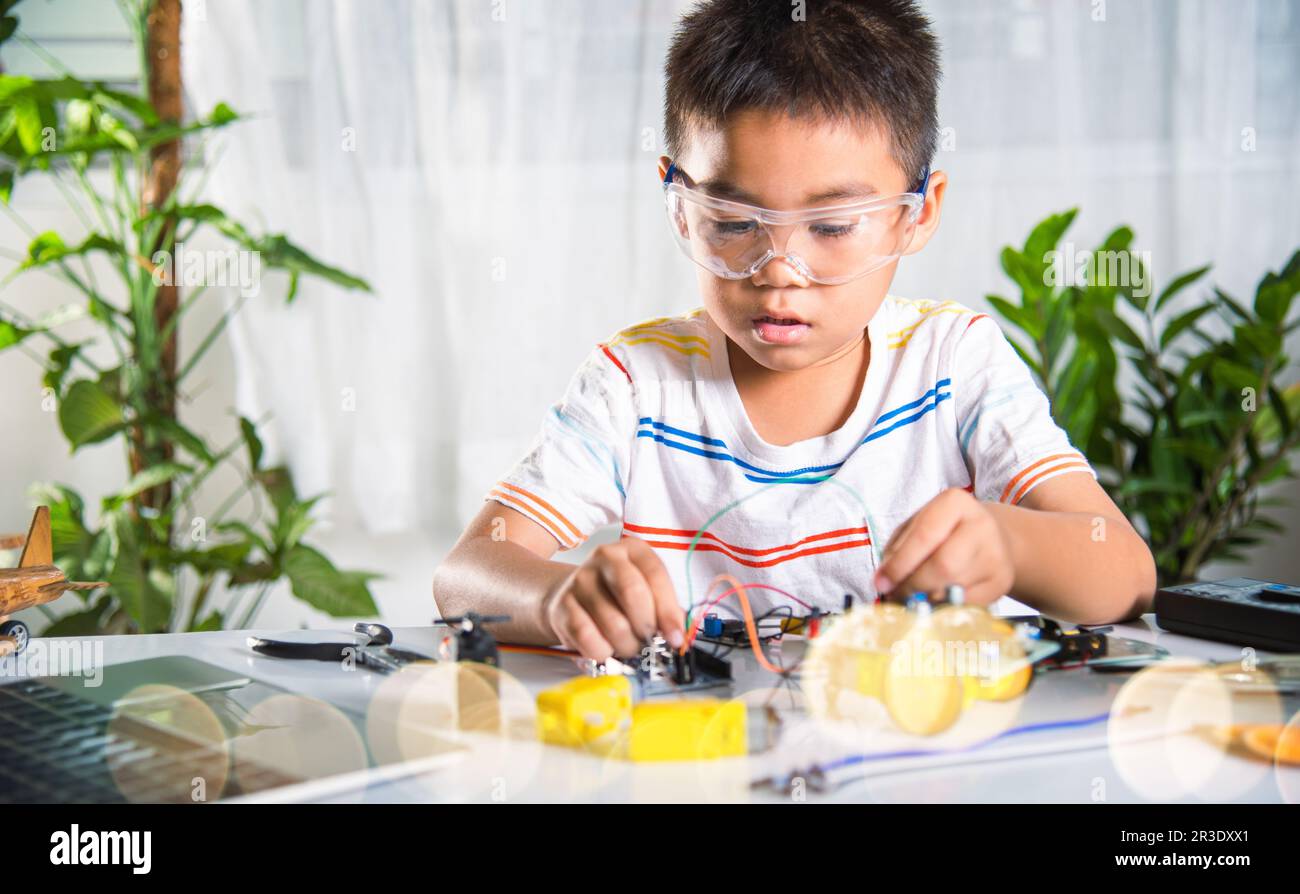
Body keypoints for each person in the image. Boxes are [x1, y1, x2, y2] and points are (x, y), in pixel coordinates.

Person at [433, 0, 1156, 661]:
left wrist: (1011, 542)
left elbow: (1126, 573)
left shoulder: (955, 365)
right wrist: (556, 597)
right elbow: (465, 577)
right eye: (735, 223)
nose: (781, 271)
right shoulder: (635, 385)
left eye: (833, 226)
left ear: (919, 212)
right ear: (679, 204)